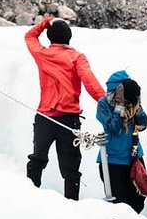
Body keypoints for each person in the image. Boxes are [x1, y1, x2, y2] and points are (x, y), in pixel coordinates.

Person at [24, 16, 105, 200]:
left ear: (50, 38)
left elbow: (29, 37)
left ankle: (29, 198)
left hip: (45, 117)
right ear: (69, 37)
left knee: (37, 159)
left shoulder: (42, 54)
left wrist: (46, 21)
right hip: (69, 119)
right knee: (70, 166)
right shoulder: (77, 57)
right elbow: (88, 80)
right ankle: (72, 204)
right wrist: (103, 99)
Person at [96, 71, 147, 212]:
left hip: (133, 156)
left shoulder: (132, 98)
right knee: (119, 203)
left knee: (138, 200)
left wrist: (137, 107)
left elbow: (143, 125)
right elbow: (114, 128)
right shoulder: (104, 104)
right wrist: (119, 107)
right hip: (112, 160)